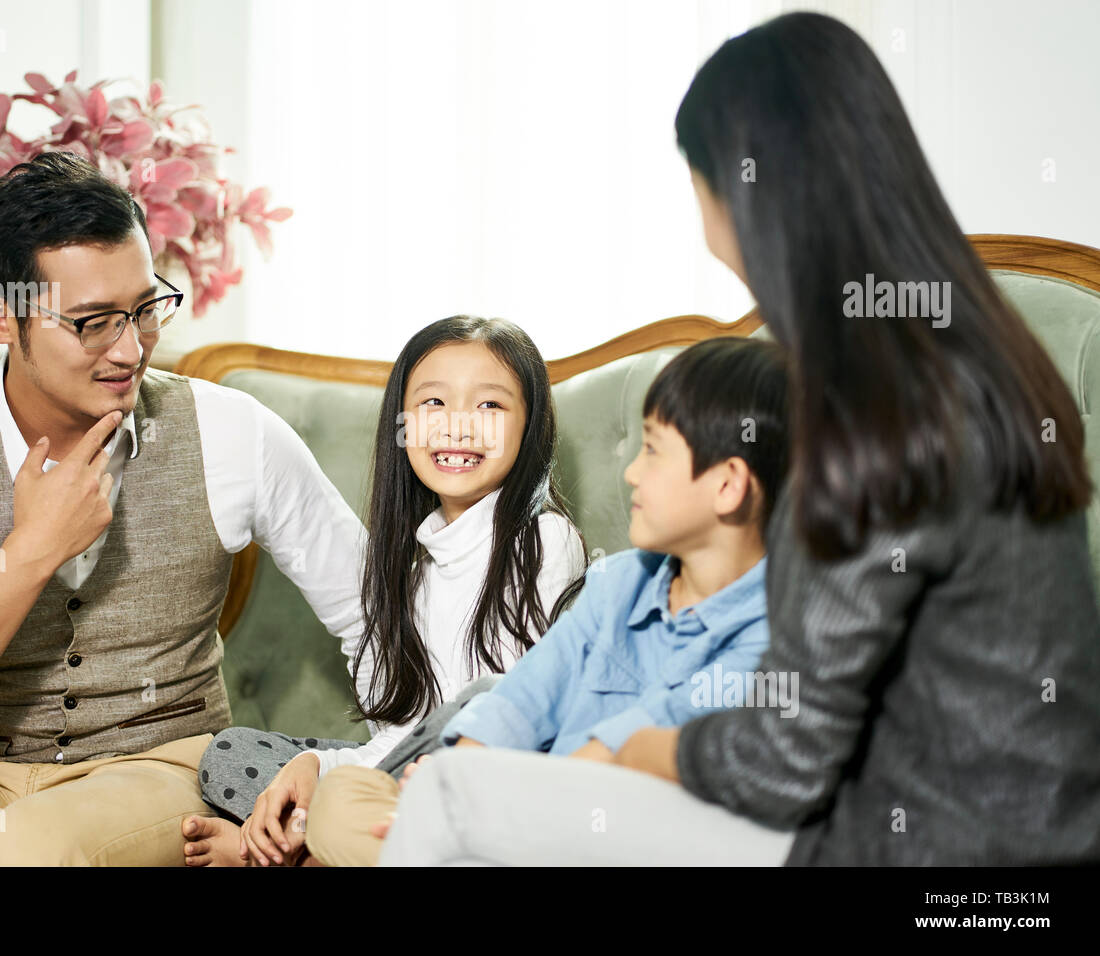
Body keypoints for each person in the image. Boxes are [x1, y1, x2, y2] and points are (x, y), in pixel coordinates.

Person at [378, 11, 1100, 866]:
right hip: (1016, 838)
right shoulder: (962, 351)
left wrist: (646, 751)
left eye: (703, 184)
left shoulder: (881, 396)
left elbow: (787, 759)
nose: (709, 227)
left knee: (457, 797)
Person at [0, 151, 367, 866]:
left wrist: (388, 773)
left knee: (31, 849)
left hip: (160, 774)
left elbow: (375, 615)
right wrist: (32, 550)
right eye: (94, 321)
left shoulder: (233, 432)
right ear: (0, 318)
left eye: (145, 307)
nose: (130, 349)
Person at [303, 336, 792, 866]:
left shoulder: (776, 636)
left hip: (610, 835)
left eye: (652, 451)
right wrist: (456, 777)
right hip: (528, 814)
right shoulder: (616, 583)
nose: (631, 472)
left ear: (728, 487)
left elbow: (627, 747)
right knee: (341, 801)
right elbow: (524, 696)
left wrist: (498, 801)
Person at [181, 316, 587, 866]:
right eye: (434, 404)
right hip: (406, 773)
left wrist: (339, 788)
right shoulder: (411, 573)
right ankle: (323, 839)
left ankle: (302, 849)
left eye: (489, 407)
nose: (458, 427)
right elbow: (403, 730)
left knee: (477, 704)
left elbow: (500, 720)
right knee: (229, 756)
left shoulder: (545, 540)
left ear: (530, 426)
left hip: (494, 773)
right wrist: (315, 770)